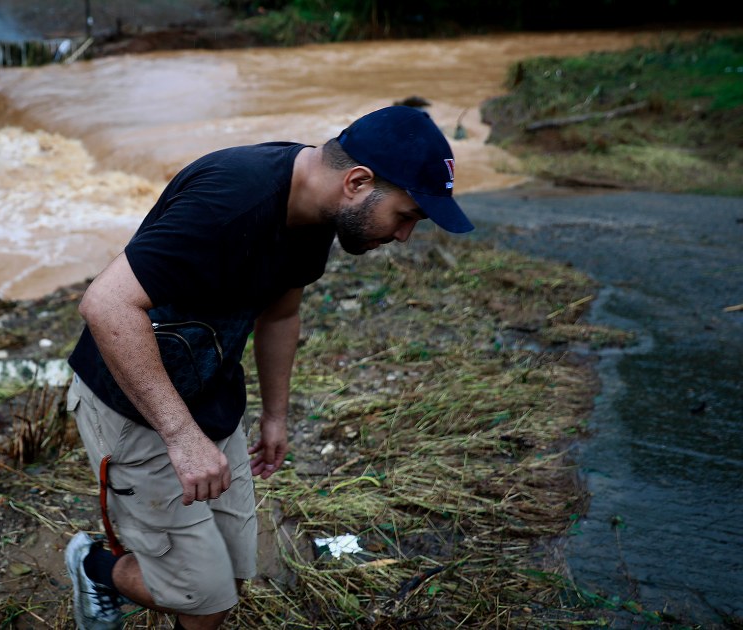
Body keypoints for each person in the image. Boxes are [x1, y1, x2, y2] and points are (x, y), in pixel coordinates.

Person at [63, 105, 474, 630]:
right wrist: (181, 436)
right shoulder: (230, 200)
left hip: (209, 390)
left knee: (232, 574)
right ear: (358, 181)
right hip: (133, 402)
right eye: (407, 215)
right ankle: (96, 568)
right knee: (202, 595)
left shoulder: (316, 211)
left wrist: (275, 415)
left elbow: (282, 311)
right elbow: (106, 304)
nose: (404, 236)